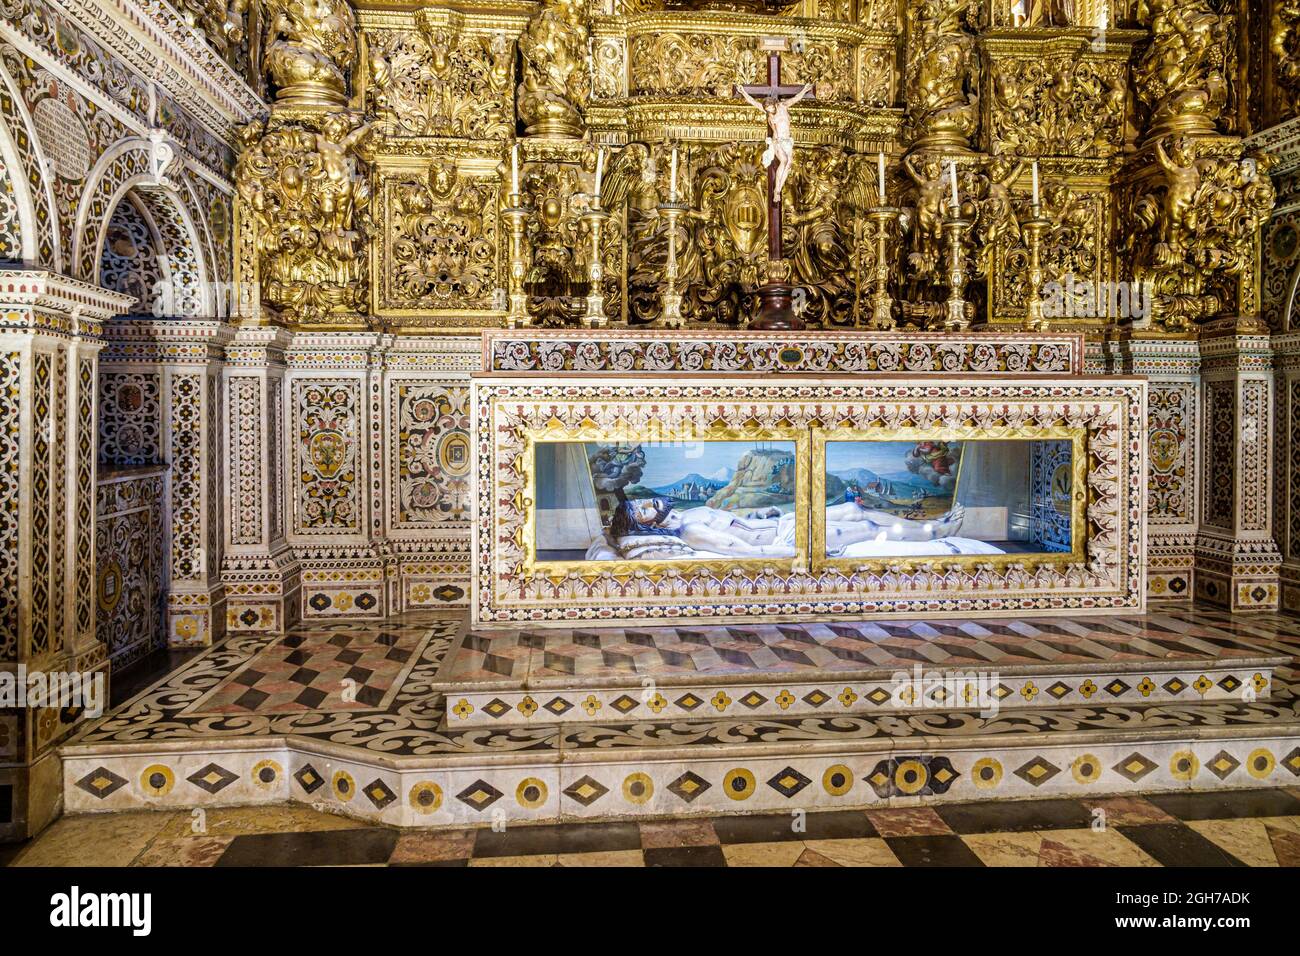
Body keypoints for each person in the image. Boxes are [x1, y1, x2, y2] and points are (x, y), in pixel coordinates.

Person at [595, 497, 966, 560]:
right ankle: (935, 535)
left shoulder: (687, 513)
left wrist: (762, 513)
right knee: (867, 527)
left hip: (783, 522)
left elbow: (739, 519)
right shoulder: (690, 534)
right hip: (788, 536)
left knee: (853, 509)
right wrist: (803, 553)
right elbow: (747, 551)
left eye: (642, 502)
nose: (649, 505)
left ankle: (930, 524)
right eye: (641, 511)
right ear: (645, 526)